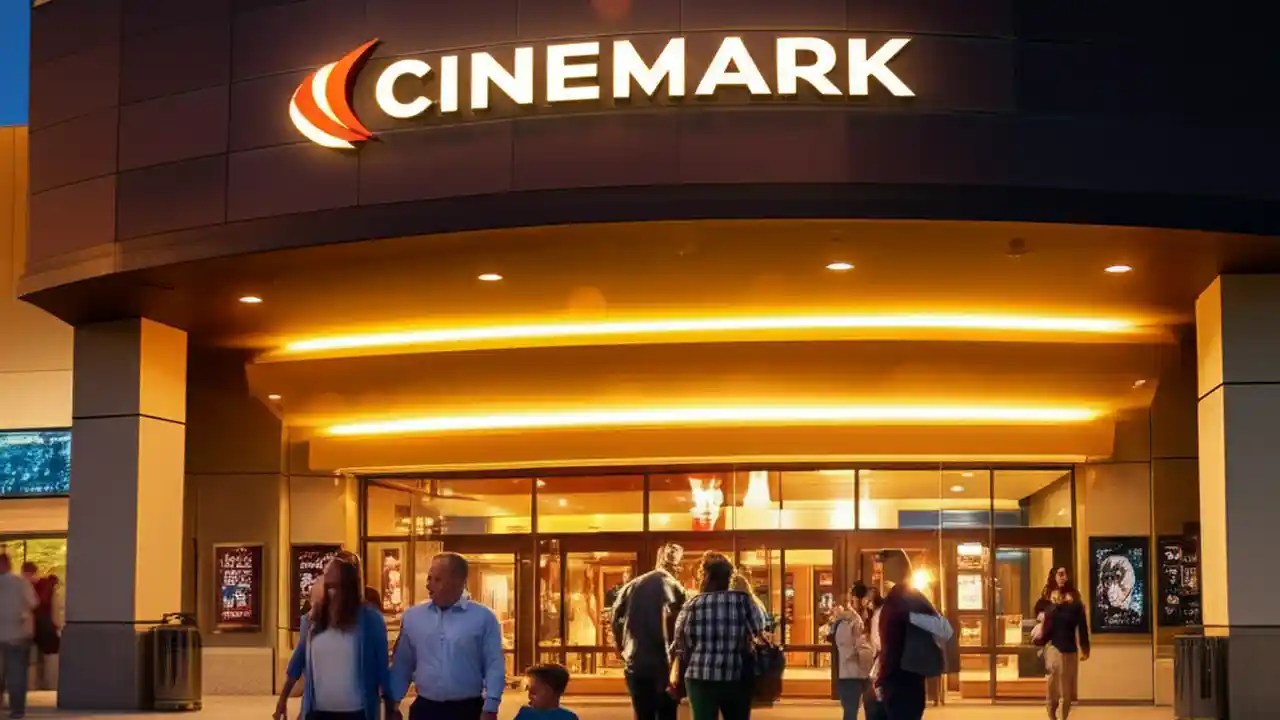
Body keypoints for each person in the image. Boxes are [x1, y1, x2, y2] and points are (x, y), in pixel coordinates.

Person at [275, 552, 392, 720]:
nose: (331, 592)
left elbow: (382, 667)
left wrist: (390, 708)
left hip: (357, 713)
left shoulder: (370, 620)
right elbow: (297, 661)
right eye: (327, 584)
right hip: (317, 712)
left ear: (350, 588)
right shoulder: (312, 621)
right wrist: (282, 699)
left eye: (336, 586)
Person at [389, 552, 506, 720]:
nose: (429, 585)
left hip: (467, 710)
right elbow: (403, 664)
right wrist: (393, 704)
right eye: (429, 578)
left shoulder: (483, 618)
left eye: (437, 580)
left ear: (458, 582)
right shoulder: (413, 617)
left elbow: (494, 664)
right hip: (426, 709)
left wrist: (491, 706)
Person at [668, 552, 763, 720]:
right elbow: (758, 630)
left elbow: (681, 643)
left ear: (704, 576)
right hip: (736, 676)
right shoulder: (744, 601)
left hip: (700, 677)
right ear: (729, 577)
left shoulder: (692, 604)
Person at [610, 543, 687, 720]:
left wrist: (621, 646)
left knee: (643, 713)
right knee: (666, 713)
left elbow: (615, 616)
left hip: (635, 661)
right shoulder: (677, 589)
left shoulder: (632, 585)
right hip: (665, 664)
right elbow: (684, 627)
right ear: (676, 566)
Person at [874, 551, 943, 720]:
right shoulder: (918, 599)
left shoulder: (895, 605)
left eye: (880, 572)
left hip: (898, 683)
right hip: (915, 681)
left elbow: (891, 648)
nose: (878, 579)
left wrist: (881, 680)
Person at [1035, 568, 1090, 720]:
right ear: (1054, 576)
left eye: (1065, 574)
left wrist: (1085, 648)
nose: (1063, 577)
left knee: (1066, 690)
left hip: (1070, 648)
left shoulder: (1075, 599)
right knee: (1053, 682)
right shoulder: (1048, 596)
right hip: (1053, 646)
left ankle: (1063, 717)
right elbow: (1039, 612)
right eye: (1060, 574)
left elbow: (1082, 624)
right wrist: (1054, 605)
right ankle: (1051, 712)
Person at [831, 583, 874, 720]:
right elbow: (846, 648)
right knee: (851, 713)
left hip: (863, 673)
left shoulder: (862, 619)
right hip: (851, 674)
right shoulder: (848, 621)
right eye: (867, 600)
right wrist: (866, 649)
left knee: (872, 711)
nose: (869, 604)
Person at [0, 555, 36, 719]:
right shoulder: (21, 583)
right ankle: (17, 710)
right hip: (17, 634)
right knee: (16, 674)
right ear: (9, 564)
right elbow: (34, 602)